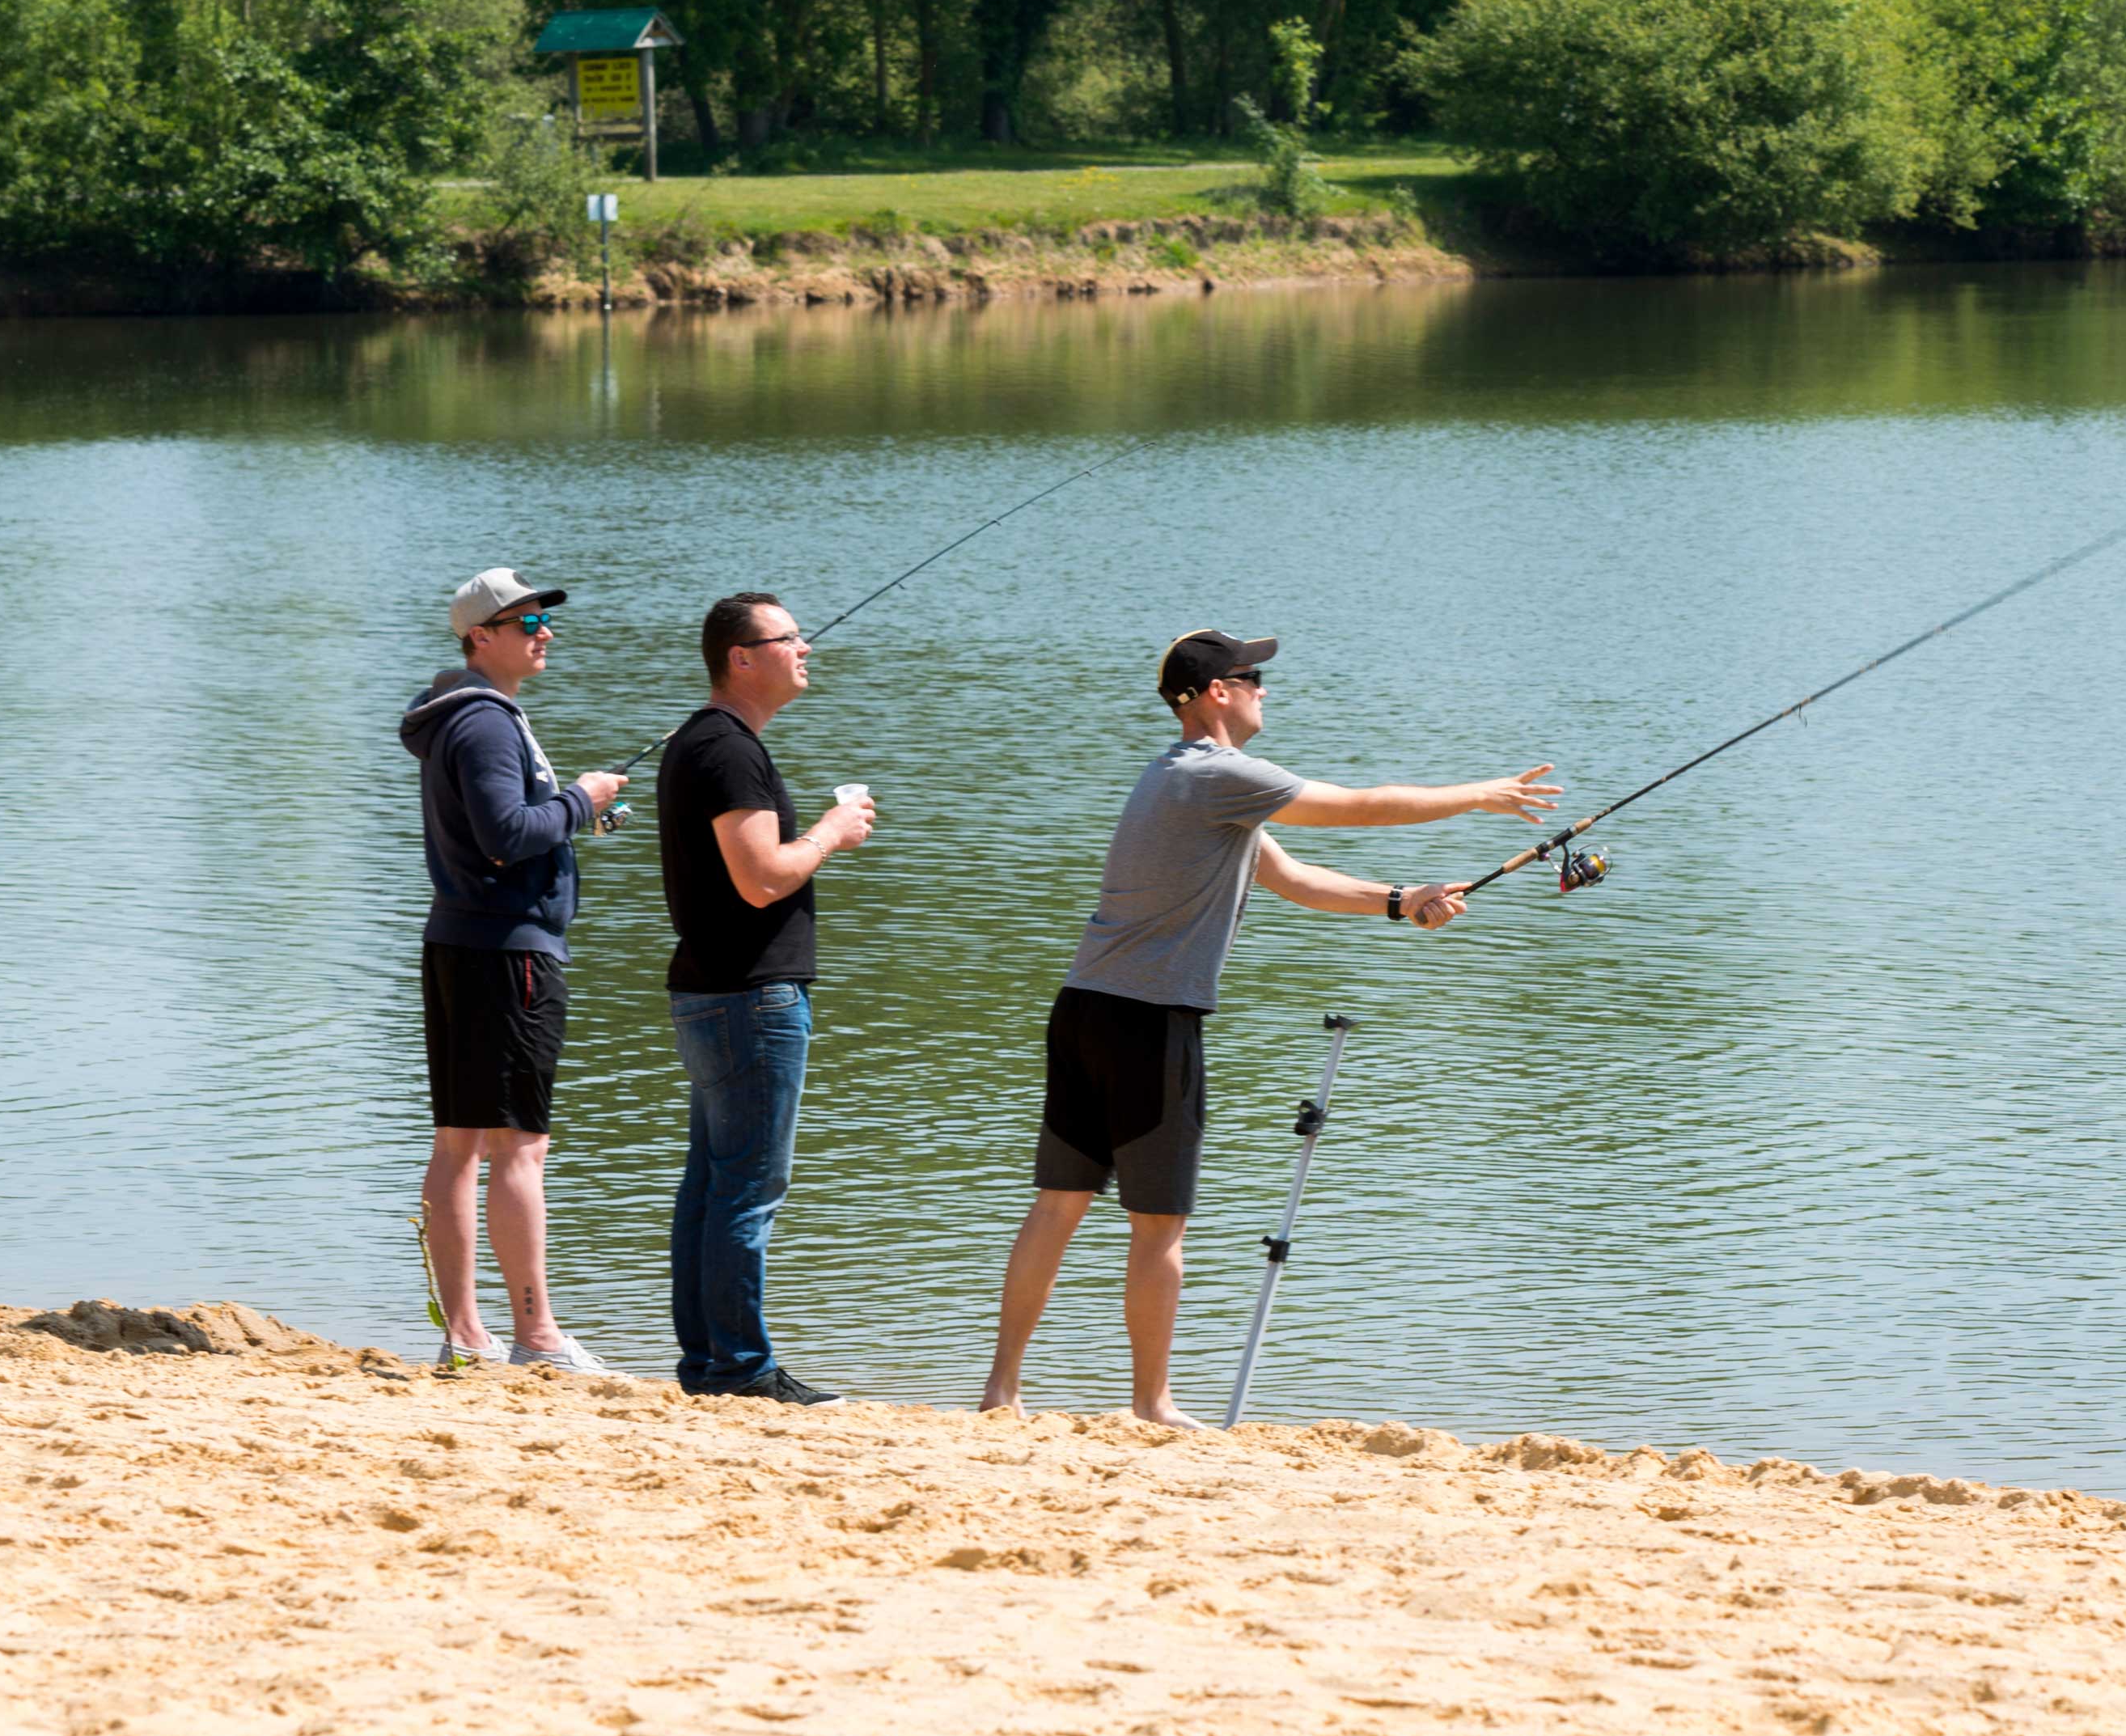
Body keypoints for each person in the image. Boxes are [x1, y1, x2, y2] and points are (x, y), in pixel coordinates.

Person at [978, 627, 1552, 1427]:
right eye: (1252, 677)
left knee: (1058, 1203)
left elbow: (1292, 876)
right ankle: (1152, 1403)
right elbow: (1359, 806)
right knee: (1160, 1223)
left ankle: (1001, 1392)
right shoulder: (1221, 774)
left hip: (1086, 1008)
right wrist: (1478, 793)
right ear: (1218, 692)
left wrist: (1400, 901)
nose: (1264, 689)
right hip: (1151, 1020)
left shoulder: (1180, 777)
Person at [400, 566, 627, 1377]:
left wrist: (572, 815)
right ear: (480, 636)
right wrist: (581, 799)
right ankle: (539, 1337)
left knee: (459, 1142)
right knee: (521, 1147)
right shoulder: (488, 723)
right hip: (509, 953)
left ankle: (466, 1336)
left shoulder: (455, 715)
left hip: (460, 943)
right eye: (526, 621)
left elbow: (503, 827)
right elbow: (504, 835)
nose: (544, 632)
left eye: (542, 619)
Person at [654, 591, 879, 1404]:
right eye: (788, 638)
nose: (805, 647)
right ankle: (742, 1368)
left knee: (713, 1185)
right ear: (741, 658)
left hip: (715, 991)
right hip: (750, 996)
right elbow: (760, 878)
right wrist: (830, 832)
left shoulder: (706, 740)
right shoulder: (727, 750)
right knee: (746, 1189)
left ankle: (709, 1364)